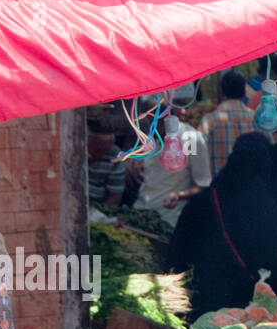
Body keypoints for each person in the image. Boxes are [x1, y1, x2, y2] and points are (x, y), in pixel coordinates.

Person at [166, 132, 277, 319]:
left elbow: (175, 260)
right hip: (254, 319)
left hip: (204, 315)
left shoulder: (201, 204)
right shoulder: (274, 214)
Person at [133, 88, 212, 229]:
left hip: (169, 221)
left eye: (157, 122)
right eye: (149, 122)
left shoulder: (190, 139)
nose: (153, 127)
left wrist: (179, 195)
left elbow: (203, 185)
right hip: (141, 213)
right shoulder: (151, 138)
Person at [199, 70, 259, 176]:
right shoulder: (257, 119)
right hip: (251, 185)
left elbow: (197, 153)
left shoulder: (209, 121)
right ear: (245, 91)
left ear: (221, 91)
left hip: (219, 187)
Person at [87, 118, 125, 208]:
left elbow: (115, 197)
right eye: (98, 150)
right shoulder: (76, 152)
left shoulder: (115, 156)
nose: (102, 156)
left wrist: (96, 214)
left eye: (106, 151)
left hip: (97, 207)